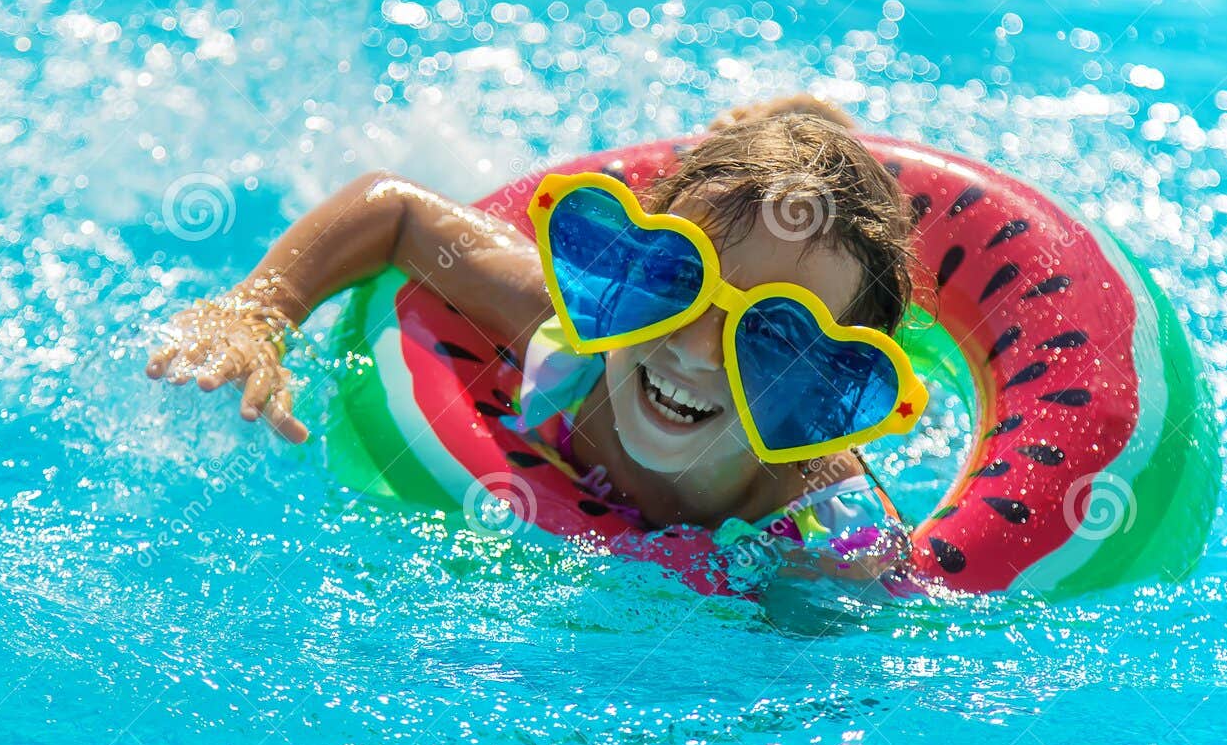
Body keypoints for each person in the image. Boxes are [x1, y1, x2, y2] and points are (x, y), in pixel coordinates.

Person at [145, 96, 925, 596]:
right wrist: (258, 310)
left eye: (773, 334)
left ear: (834, 387)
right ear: (627, 265)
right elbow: (396, 212)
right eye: (678, 278)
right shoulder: (584, 319)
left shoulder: (826, 519)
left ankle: (818, 135)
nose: (693, 347)